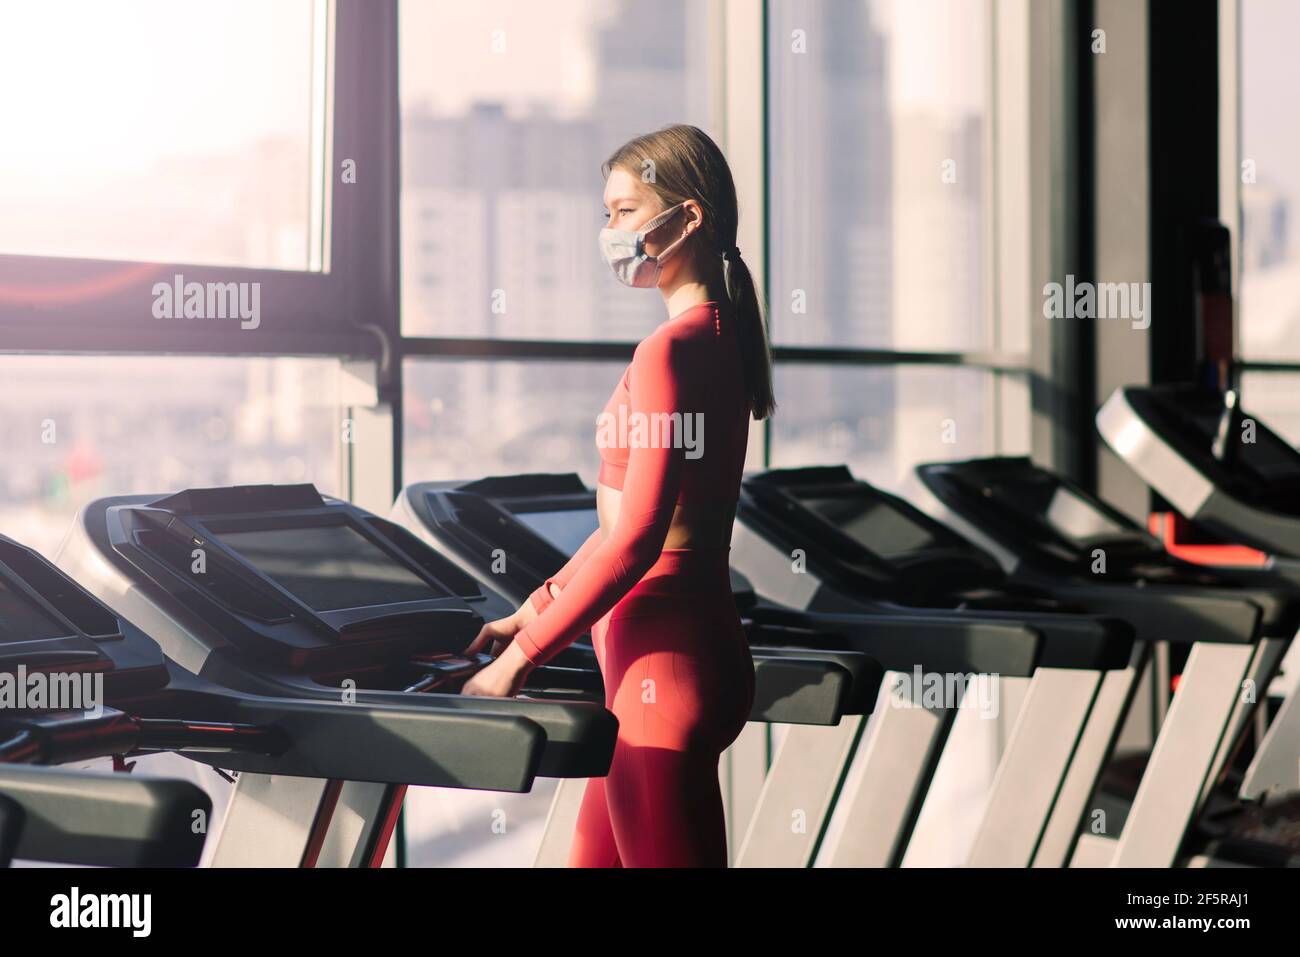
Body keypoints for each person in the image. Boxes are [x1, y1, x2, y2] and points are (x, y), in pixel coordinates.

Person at [461, 124, 776, 867]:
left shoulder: (667, 351)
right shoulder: (721, 336)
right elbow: (634, 526)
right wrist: (536, 607)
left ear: (687, 218)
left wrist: (519, 661)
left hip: (657, 671)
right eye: (608, 214)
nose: (611, 231)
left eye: (627, 212)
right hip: (687, 653)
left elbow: (636, 539)